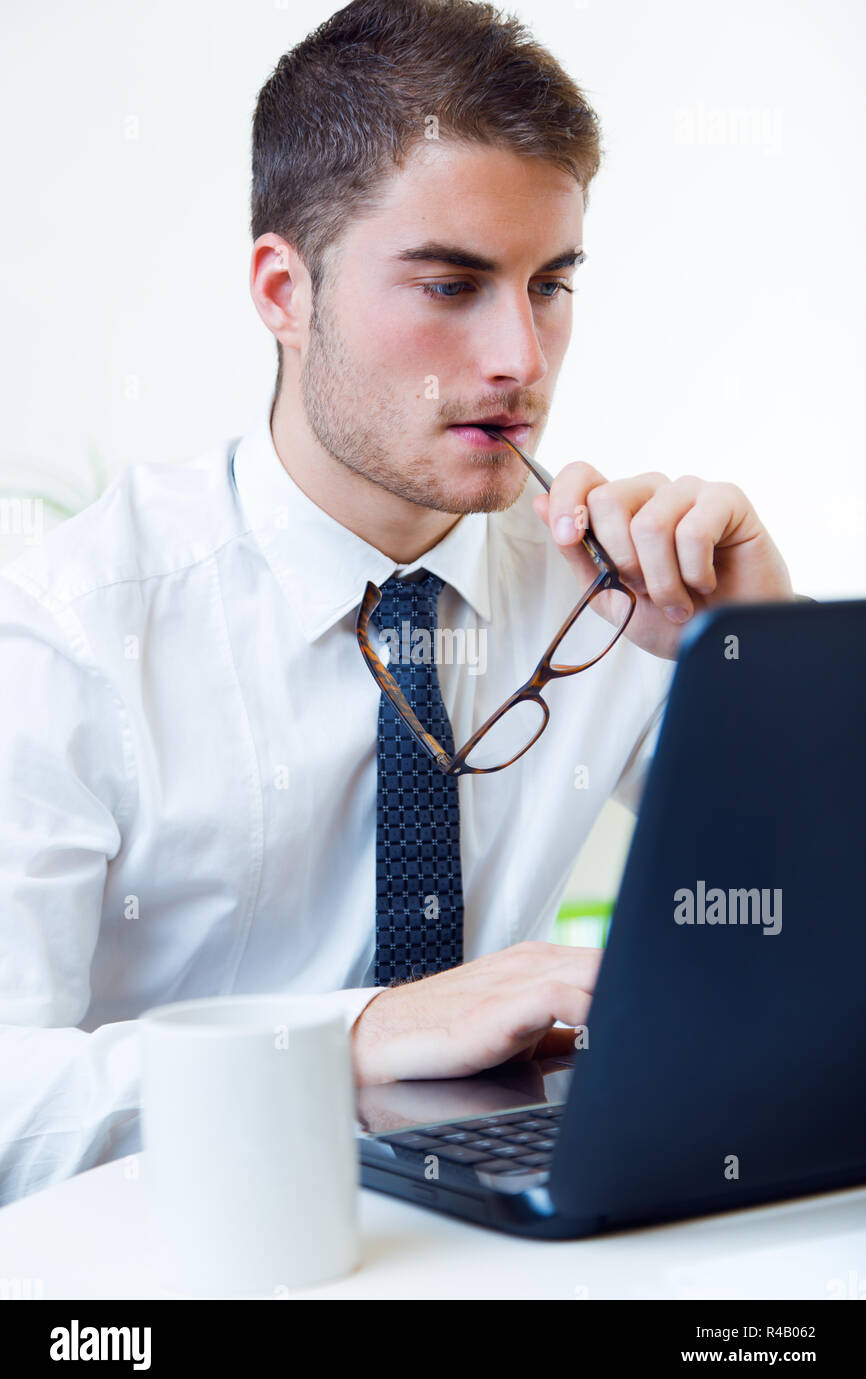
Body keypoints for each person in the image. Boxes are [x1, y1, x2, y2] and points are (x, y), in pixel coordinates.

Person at [0, 0, 795, 1206]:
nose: (519, 360)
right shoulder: (70, 633)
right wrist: (350, 1040)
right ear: (283, 289)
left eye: (550, 284)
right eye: (448, 284)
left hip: (511, 1245)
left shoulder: (613, 595)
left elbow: (791, 954)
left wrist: (760, 672)